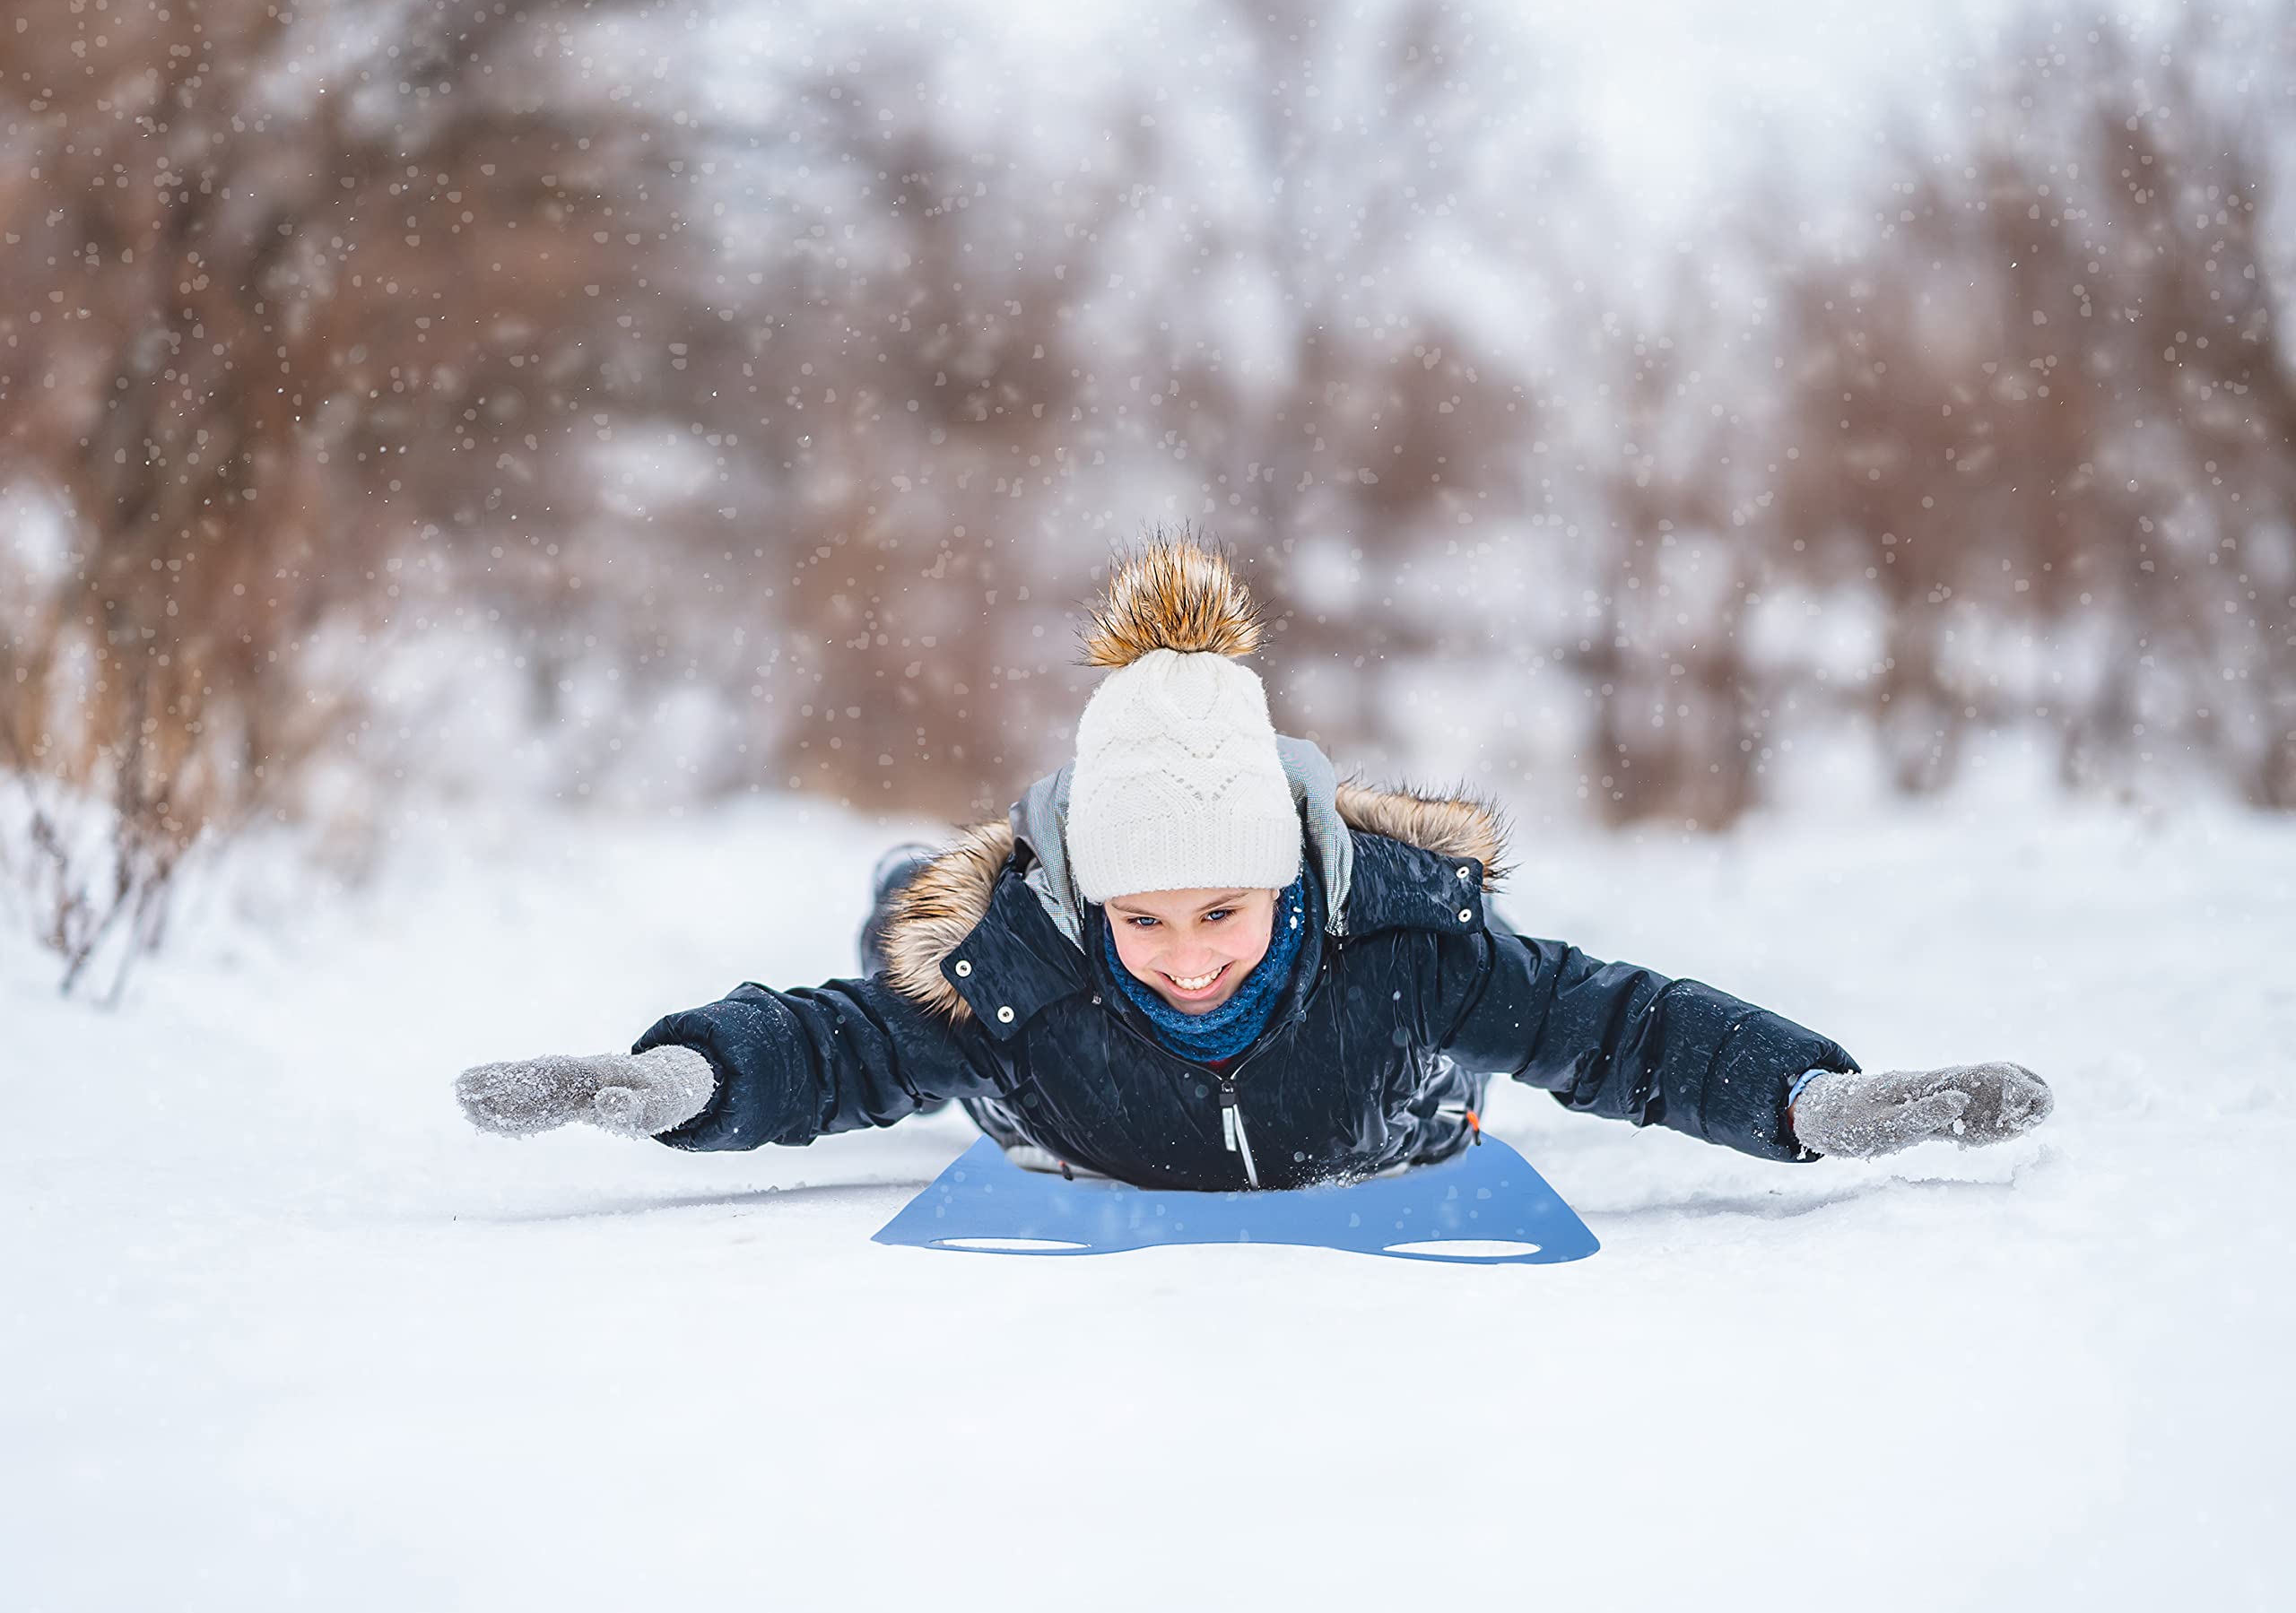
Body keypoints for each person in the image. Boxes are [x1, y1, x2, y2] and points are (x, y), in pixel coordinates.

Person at [457, 534, 2052, 1189]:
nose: (1191, 950)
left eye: (1223, 907)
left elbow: (1618, 1030)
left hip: (1385, 1169)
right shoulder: (1021, 974)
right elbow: (839, 1044)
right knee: (908, 938)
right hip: (1080, 1167)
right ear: (1089, 904)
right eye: (1143, 917)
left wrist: (1811, 1101)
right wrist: (688, 1079)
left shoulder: (1409, 951)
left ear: (1290, 881)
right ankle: (922, 875)